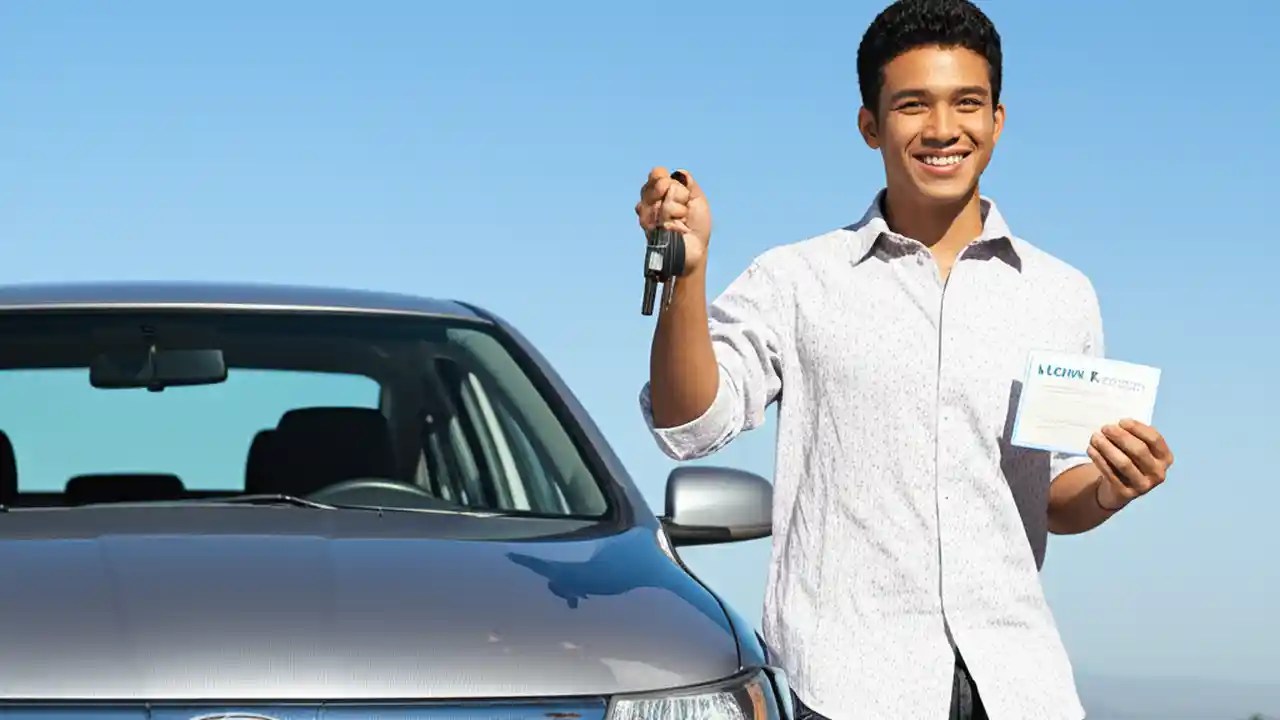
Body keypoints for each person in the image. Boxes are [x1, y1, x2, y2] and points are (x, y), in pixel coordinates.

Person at [632, 0, 1175, 718]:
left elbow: (1050, 500)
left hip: (1020, 683)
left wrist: (1111, 486)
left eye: (967, 104)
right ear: (870, 125)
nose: (944, 129)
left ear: (998, 121)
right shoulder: (798, 279)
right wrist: (686, 276)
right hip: (848, 686)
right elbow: (689, 421)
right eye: (913, 105)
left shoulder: (1062, 294)